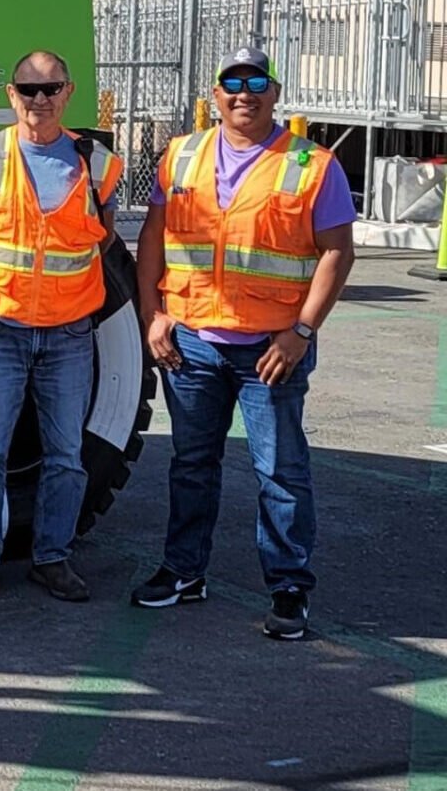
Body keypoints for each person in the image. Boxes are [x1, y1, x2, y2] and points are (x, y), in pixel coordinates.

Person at [133, 44, 355, 638]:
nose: (243, 93)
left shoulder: (311, 165)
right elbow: (154, 236)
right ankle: (184, 573)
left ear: (275, 93)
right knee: (191, 465)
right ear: (215, 96)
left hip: (269, 352)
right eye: (232, 82)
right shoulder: (180, 157)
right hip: (192, 342)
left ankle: (288, 588)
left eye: (257, 81)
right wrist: (152, 314)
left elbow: (337, 251)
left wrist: (301, 332)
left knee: (280, 471)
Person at [0, 50, 118, 604]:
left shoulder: (99, 162)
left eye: (51, 88)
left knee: (66, 455)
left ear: (68, 94)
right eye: (28, 89)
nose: (40, 99)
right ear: (11, 95)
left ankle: (52, 558)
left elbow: (105, 236)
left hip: (67, 335)